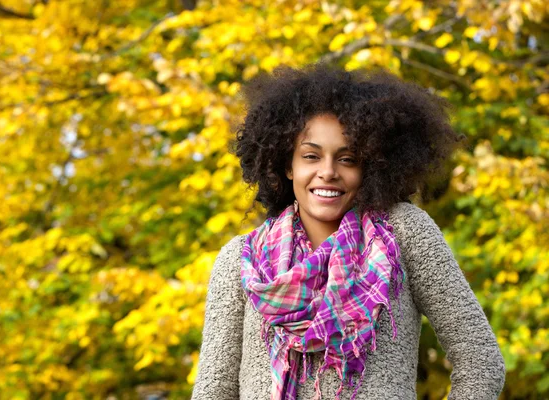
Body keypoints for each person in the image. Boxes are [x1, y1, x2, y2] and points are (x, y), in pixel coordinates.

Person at [191, 64, 505, 400]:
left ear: (370, 166)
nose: (327, 172)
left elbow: (480, 360)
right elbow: (213, 389)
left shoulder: (404, 232)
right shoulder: (241, 259)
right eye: (311, 156)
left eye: (347, 159)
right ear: (287, 165)